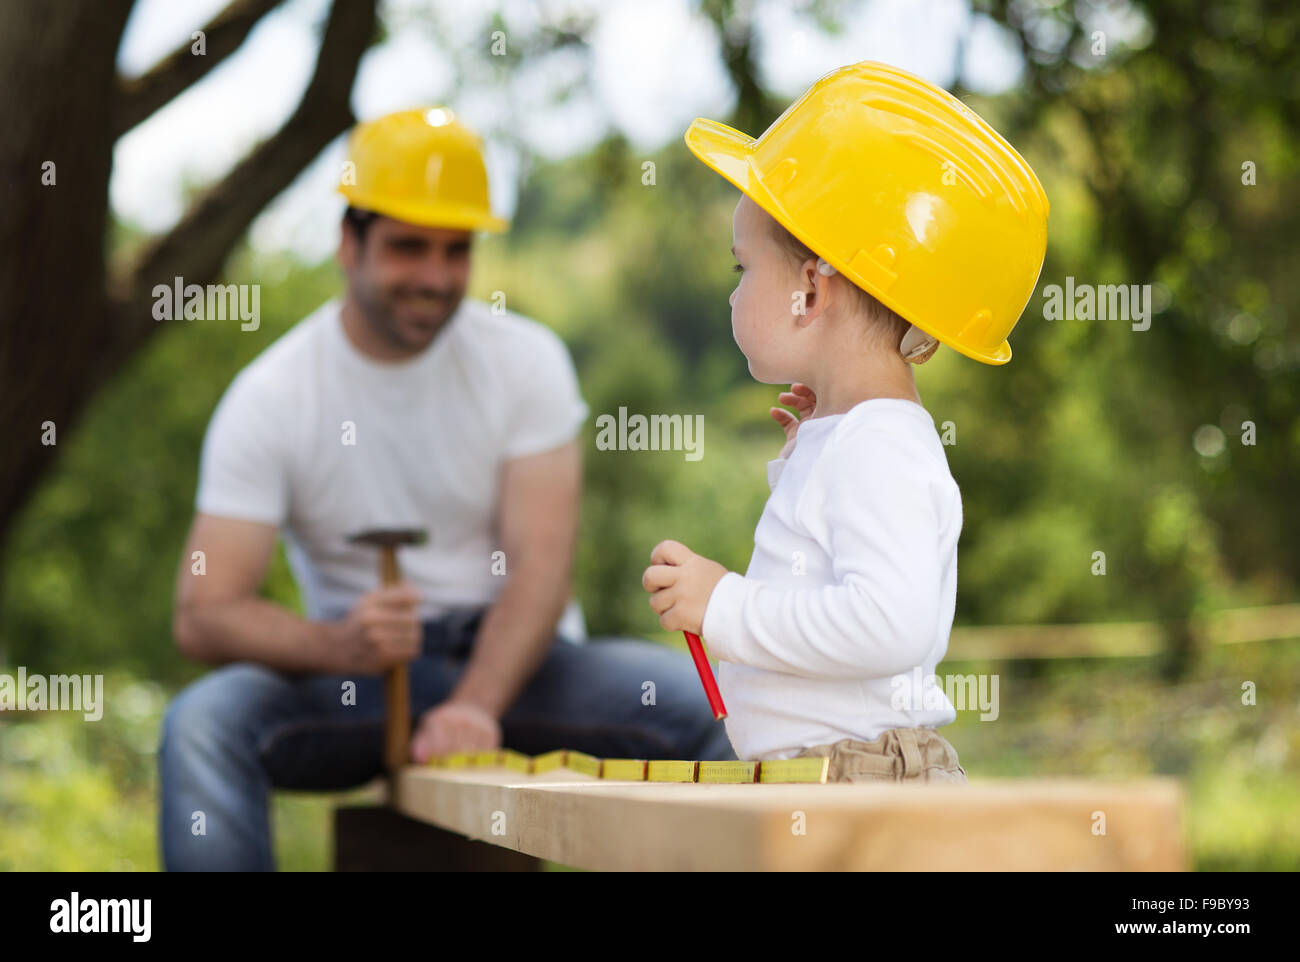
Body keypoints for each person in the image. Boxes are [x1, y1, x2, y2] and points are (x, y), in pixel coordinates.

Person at [159, 107, 734, 871]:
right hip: (357, 680)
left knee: (719, 714)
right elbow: (205, 612)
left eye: (455, 251)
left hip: (526, 669)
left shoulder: (526, 363)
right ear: (348, 242)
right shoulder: (271, 398)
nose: (434, 277)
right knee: (203, 725)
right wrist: (338, 643)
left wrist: (475, 704)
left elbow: (540, 566)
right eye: (407, 248)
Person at [641, 62, 1048, 784]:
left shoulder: (879, 447)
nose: (734, 295)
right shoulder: (863, 439)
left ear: (808, 289)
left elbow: (888, 626)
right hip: (832, 778)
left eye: (743, 268)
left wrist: (725, 604)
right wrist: (810, 449)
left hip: (861, 787)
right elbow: (822, 565)